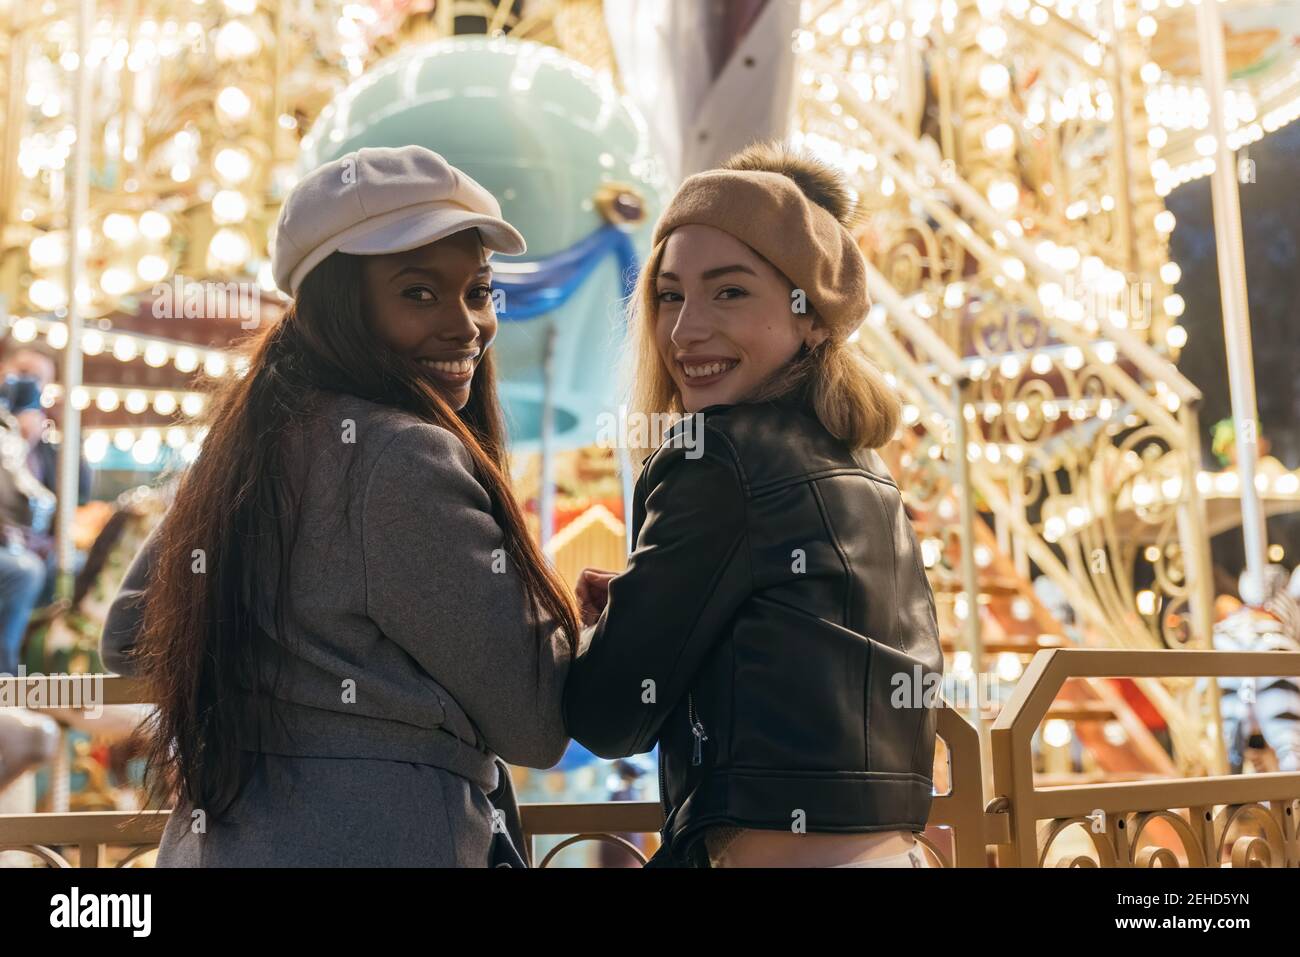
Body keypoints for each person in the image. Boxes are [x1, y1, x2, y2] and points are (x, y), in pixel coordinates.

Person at [100, 145, 579, 867]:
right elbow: (535, 722)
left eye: (478, 291)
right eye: (419, 293)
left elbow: (131, 632)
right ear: (342, 307)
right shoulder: (403, 457)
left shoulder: (252, 440)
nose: (466, 325)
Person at [563, 142, 944, 867]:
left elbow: (609, 715)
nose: (685, 330)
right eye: (669, 295)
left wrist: (582, 639)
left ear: (811, 315)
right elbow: (799, 652)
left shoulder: (716, 456)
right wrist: (650, 607)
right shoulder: (864, 466)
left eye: (729, 292)